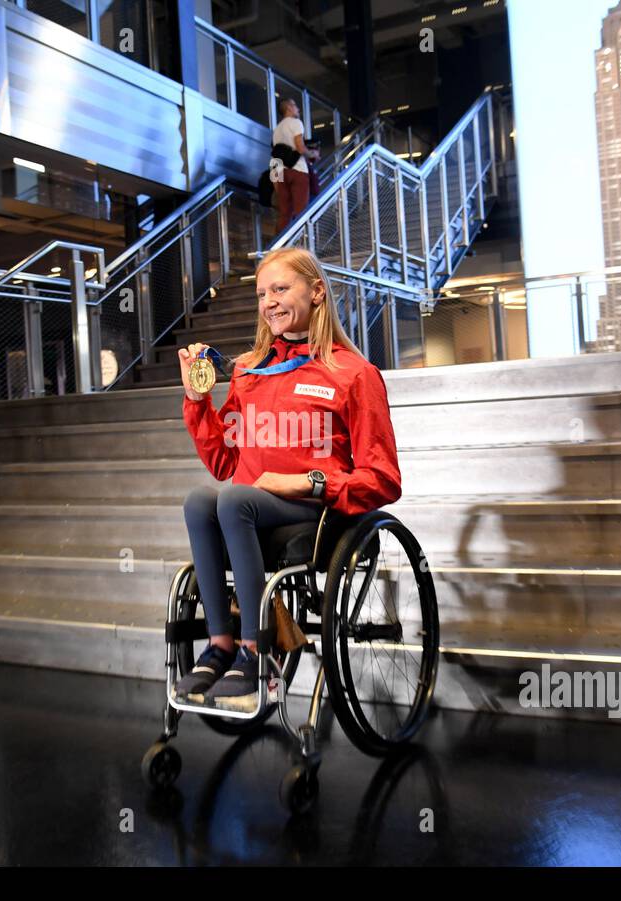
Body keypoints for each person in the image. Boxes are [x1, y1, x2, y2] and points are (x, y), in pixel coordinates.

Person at [175, 247, 402, 711]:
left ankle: (257, 651)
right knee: (201, 501)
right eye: (262, 294)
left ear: (317, 292)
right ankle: (222, 644)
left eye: (280, 289)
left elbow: (383, 479)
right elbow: (222, 463)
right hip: (247, 506)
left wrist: (308, 483)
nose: (268, 303)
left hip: (314, 509)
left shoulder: (354, 374)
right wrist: (198, 400)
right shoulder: (250, 373)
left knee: (233, 500)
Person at [271, 98, 312, 233]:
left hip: (281, 173)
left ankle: (281, 245)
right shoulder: (296, 123)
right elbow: (300, 147)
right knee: (301, 210)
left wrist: (276, 180)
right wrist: (312, 154)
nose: (298, 109)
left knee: (284, 213)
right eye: (295, 106)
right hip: (297, 170)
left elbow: (275, 156)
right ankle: (302, 242)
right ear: (289, 107)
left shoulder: (277, 129)